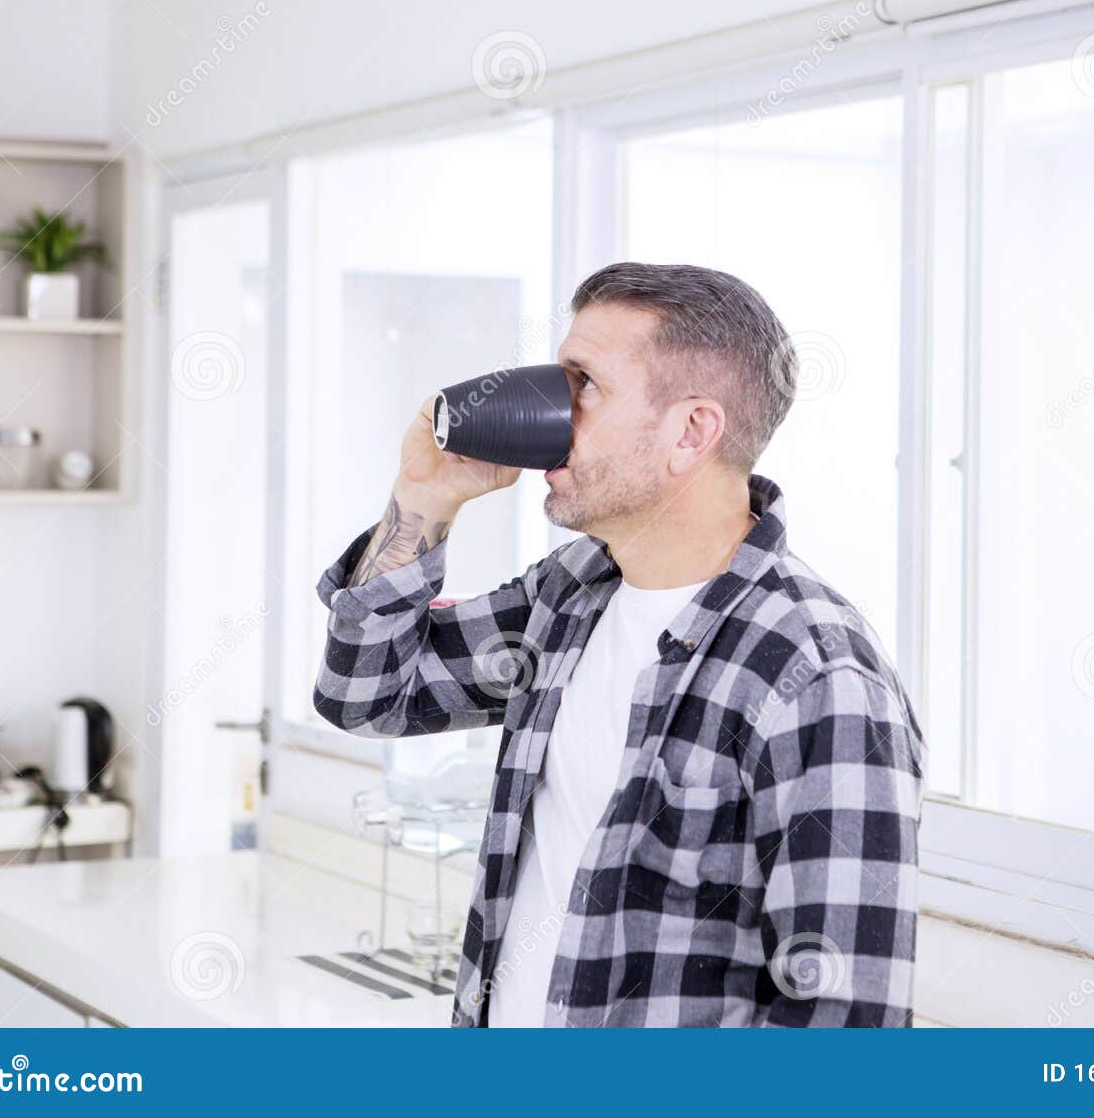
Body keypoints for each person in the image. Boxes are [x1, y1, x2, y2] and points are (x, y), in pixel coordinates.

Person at [313, 262, 923, 1027]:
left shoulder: (814, 673)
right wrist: (424, 497)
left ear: (691, 431)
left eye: (584, 384)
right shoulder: (571, 594)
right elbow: (368, 694)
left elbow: (844, 1026)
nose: (554, 413)